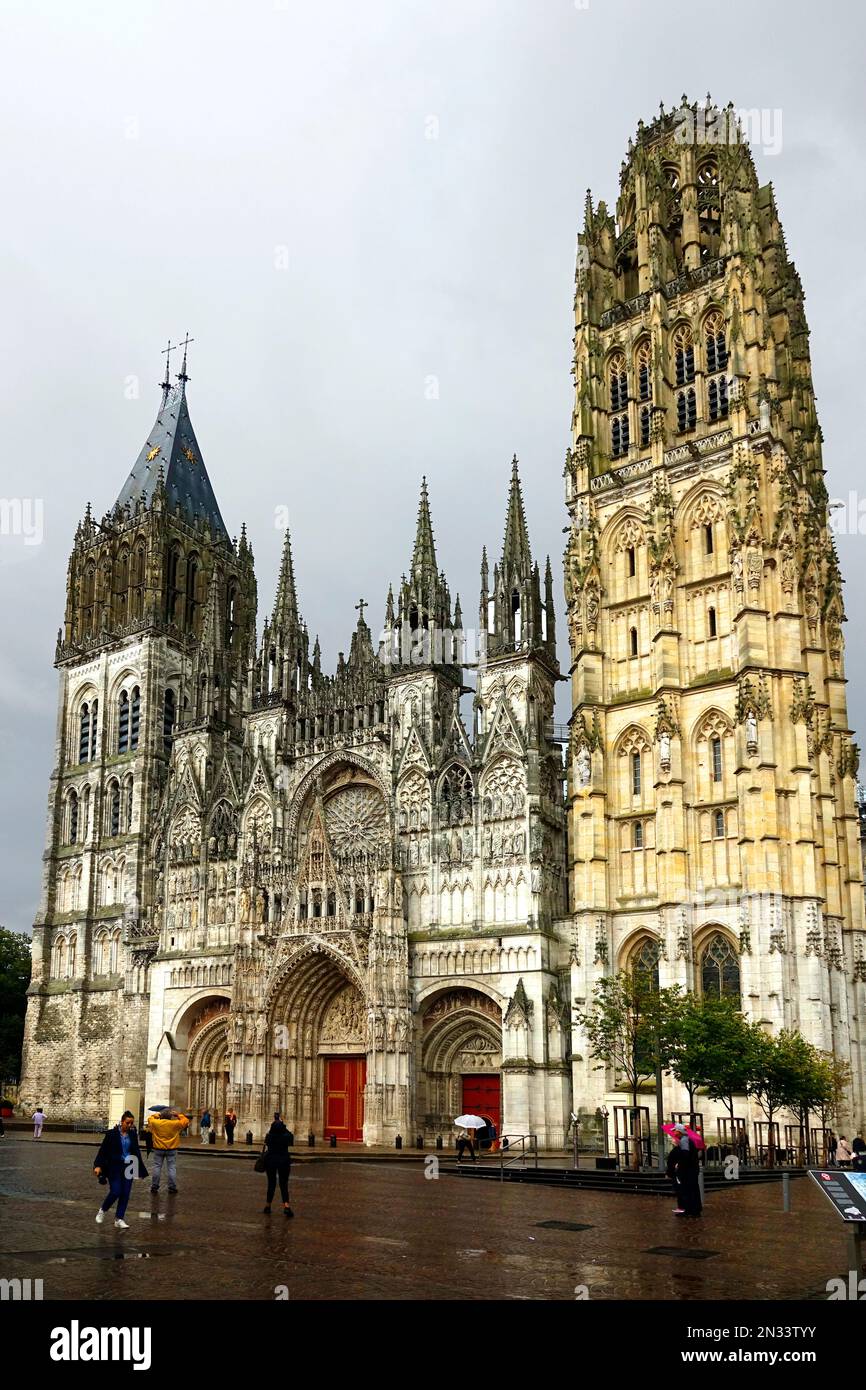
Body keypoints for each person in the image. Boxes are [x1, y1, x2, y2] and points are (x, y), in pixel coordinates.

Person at [93, 1111, 148, 1230]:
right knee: (116, 1191)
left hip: (129, 1166)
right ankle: (103, 1210)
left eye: (132, 1123)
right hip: (114, 1166)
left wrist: (140, 1171)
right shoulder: (111, 1134)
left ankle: (119, 1219)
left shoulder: (133, 1134)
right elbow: (103, 1151)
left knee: (125, 1194)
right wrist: (98, 1165)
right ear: (122, 1121)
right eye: (128, 1123)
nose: (130, 1125)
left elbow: (136, 1152)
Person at [146, 1108, 189, 1194]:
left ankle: (154, 1186)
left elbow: (150, 1119)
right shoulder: (175, 1123)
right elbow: (186, 1121)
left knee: (157, 1167)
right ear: (170, 1116)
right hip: (171, 1149)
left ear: (161, 1116)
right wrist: (178, 1115)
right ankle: (172, 1187)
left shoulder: (156, 1123)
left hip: (158, 1148)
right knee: (171, 1168)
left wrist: (157, 1115)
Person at [261, 1112, 293, 1217]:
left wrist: (275, 1125)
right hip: (283, 1162)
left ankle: (268, 1205)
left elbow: (269, 1137)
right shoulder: (285, 1137)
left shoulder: (269, 1136)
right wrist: (283, 1126)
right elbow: (291, 1137)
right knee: (284, 1184)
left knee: (271, 1184)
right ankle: (286, 1206)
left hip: (271, 1162)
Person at [668, 1123, 702, 1218]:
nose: (674, 1132)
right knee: (693, 1190)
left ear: (679, 1131)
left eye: (675, 1131)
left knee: (688, 1190)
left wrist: (679, 1165)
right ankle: (694, 1210)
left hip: (688, 1171)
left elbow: (685, 1156)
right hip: (691, 1170)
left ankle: (690, 1210)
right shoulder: (687, 1140)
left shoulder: (684, 1141)